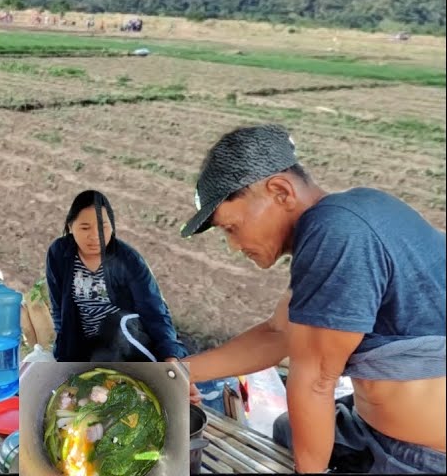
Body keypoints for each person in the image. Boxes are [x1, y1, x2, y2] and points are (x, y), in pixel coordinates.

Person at [177, 124, 446, 474]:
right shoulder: (347, 216)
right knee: (287, 428)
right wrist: (178, 373)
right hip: (371, 428)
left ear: (280, 191)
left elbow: (317, 380)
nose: (234, 245)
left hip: (421, 455)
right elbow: (279, 333)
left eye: (231, 227)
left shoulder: (337, 230)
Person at [45, 189, 188, 363]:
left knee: (113, 323)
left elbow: (154, 311)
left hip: (126, 339)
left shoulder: (128, 260)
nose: (95, 236)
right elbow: (59, 308)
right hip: (85, 343)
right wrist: (63, 349)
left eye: (102, 227)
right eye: (85, 227)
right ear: (70, 226)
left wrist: (170, 355)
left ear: (112, 227)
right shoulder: (59, 253)